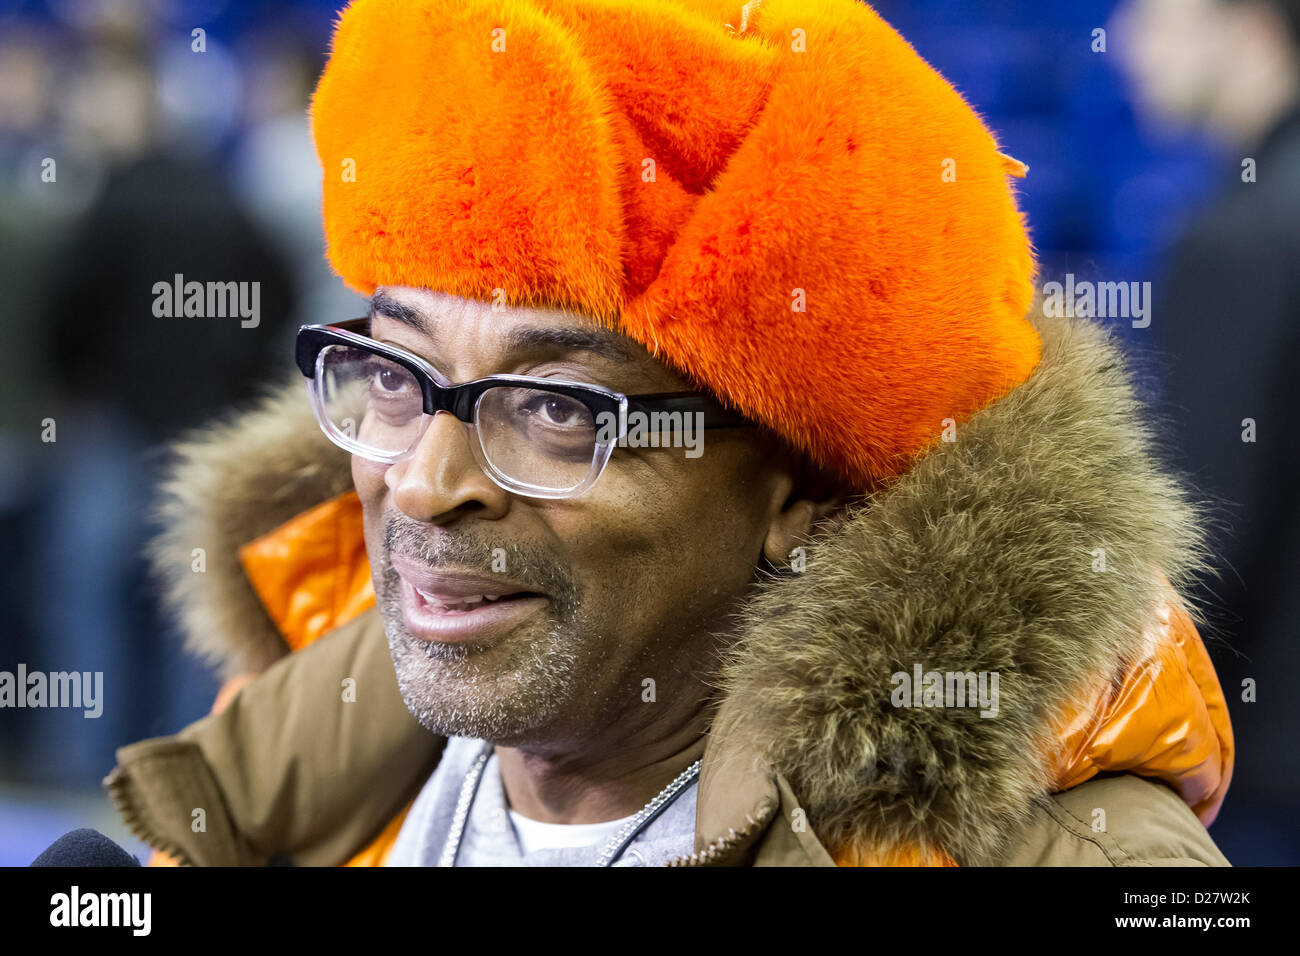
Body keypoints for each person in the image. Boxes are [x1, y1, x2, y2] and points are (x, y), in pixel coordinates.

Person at [104, 0, 1232, 867]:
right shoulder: (286, 757)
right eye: (399, 373)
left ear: (797, 486)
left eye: (555, 408)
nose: (422, 481)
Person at [1114, 0, 1300, 862]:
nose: (1125, 41)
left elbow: (1200, 542)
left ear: (1251, 23)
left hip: (1263, 776)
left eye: (1155, 12)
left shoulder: (1243, 240)